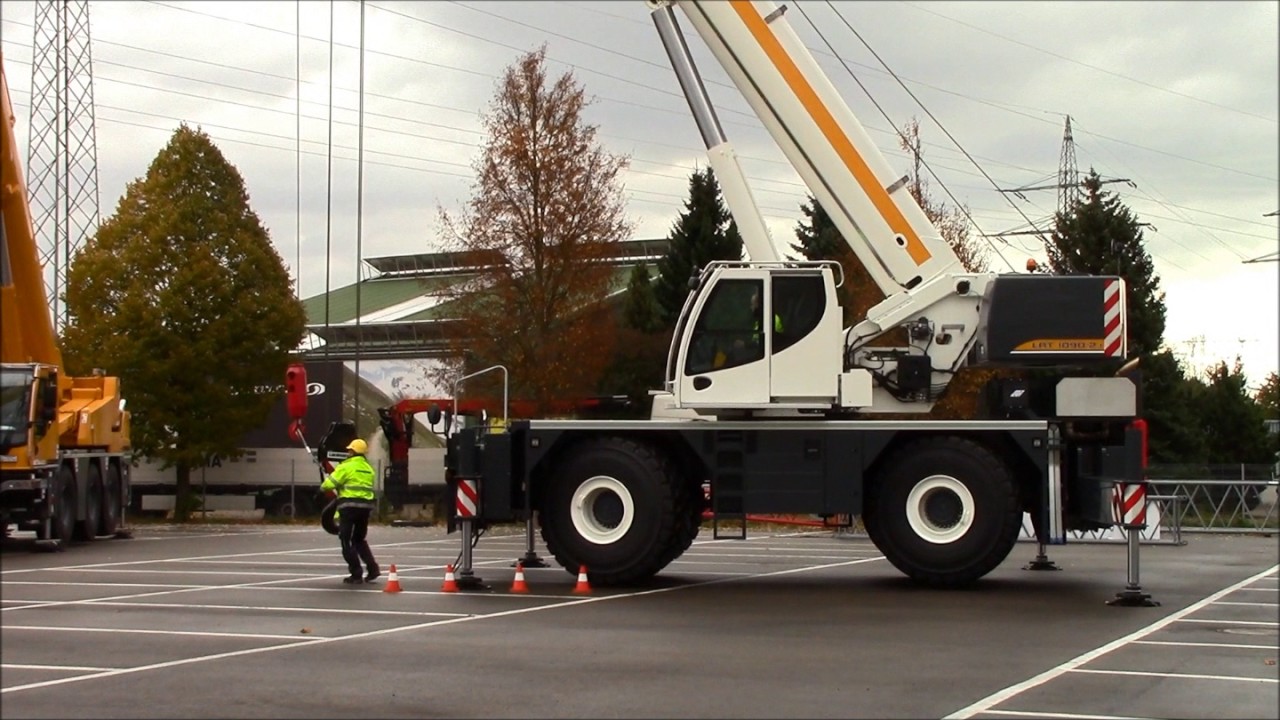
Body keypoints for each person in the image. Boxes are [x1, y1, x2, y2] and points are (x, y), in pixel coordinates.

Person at [321, 438, 380, 584]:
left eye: (349, 450)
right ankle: (373, 570)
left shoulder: (346, 467)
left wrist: (324, 485)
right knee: (359, 540)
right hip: (365, 508)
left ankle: (356, 574)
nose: (347, 452)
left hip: (349, 507)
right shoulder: (368, 468)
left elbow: (329, 484)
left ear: (353, 451)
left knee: (345, 540)